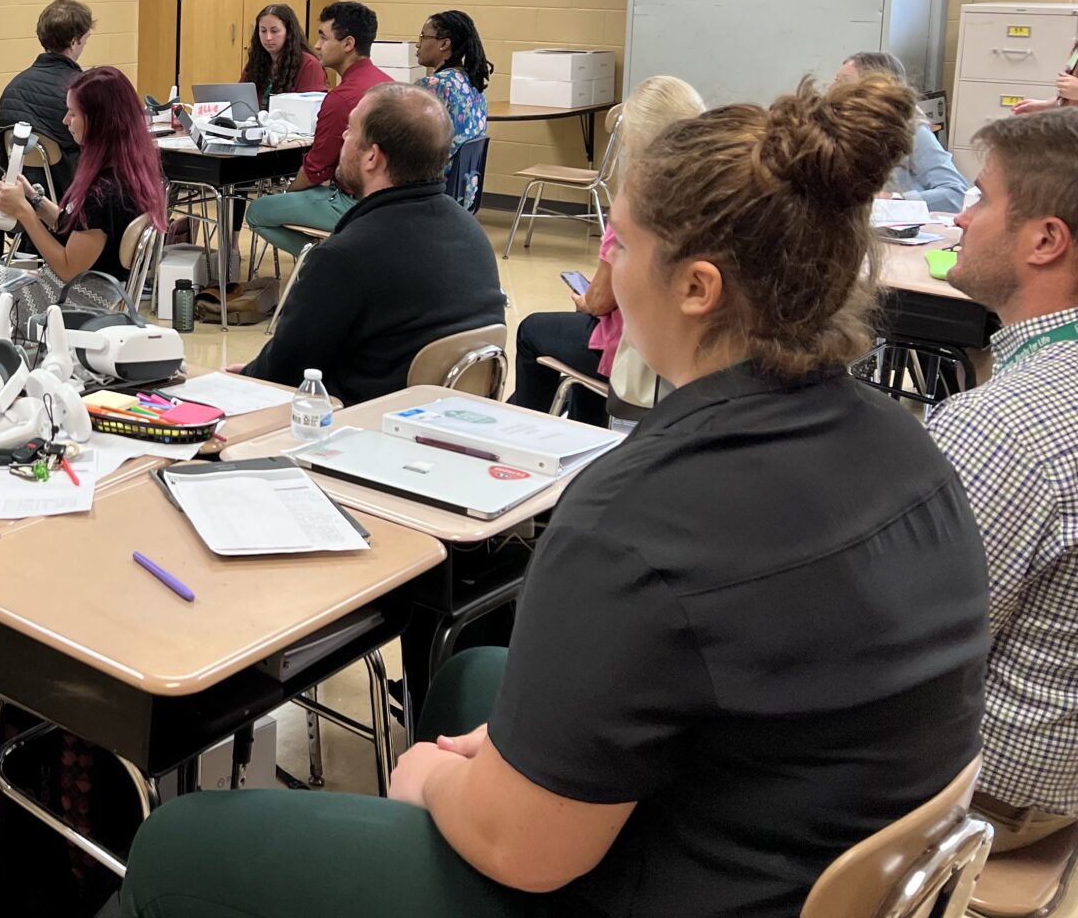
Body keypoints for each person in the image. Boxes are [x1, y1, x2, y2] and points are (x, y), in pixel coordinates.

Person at [122, 72, 988, 918]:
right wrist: (491, 760)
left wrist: (432, 778)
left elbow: (524, 851)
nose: (606, 261)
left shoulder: (636, 517)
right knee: (470, 680)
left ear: (696, 286)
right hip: (798, 835)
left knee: (181, 845)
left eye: (623, 241)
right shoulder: (913, 448)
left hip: (675, 877)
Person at [928, 108, 1078, 853]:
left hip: (994, 792)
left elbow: (915, 648)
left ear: (1045, 239)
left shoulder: (1001, 427)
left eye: (982, 197)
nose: (962, 214)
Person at [242, 85, 503, 404]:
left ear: (372, 157)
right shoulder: (472, 232)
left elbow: (282, 374)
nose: (342, 138)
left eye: (350, 130)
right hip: (451, 423)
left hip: (365, 427)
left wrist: (240, 378)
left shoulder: (345, 256)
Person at [510, 75, 705, 424]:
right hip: (691, 349)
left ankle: (524, 423)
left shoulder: (636, 208)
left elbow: (600, 301)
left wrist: (585, 300)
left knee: (533, 330)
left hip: (638, 352)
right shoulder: (713, 198)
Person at [244, 0, 391, 258]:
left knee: (258, 212)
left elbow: (315, 168)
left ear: (348, 44)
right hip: (387, 202)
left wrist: (288, 195)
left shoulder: (341, 99)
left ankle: (320, 261)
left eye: (323, 37)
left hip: (352, 201)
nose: (318, 45)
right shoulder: (387, 84)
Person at [0, 65, 165, 283]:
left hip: (81, 297)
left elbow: (68, 269)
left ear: (100, 122)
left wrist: (24, 212)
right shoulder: (124, 171)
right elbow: (75, 227)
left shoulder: (103, 193)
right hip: (96, 290)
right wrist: (34, 200)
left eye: (73, 114)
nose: (65, 120)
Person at [833, 51, 969, 212]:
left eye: (844, 83)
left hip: (890, 230)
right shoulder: (835, 128)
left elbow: (956, 193)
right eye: (836, 81)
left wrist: (897, 201)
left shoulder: (912, 131)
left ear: (877, 89)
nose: (834, 89)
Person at [0, 0, 92, 193]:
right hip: (70, 195)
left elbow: (1, 154)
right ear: (74, 42)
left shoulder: (12, 88)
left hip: (20, 193)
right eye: (86, 39)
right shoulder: (82, 90)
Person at [419, 9, 492, 208]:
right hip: (464, 191)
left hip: (432, 192)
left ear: (444, 43)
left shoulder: (435, 84)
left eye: (423, 37)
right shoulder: (473, 83)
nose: (418, 44)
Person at [240, 2, 324, 107]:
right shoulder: (256, 61)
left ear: (288, 33)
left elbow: (311, 110)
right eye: (263, 31)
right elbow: (239, 98)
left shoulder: (309, 64)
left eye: (274, 31)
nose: (268, 37)